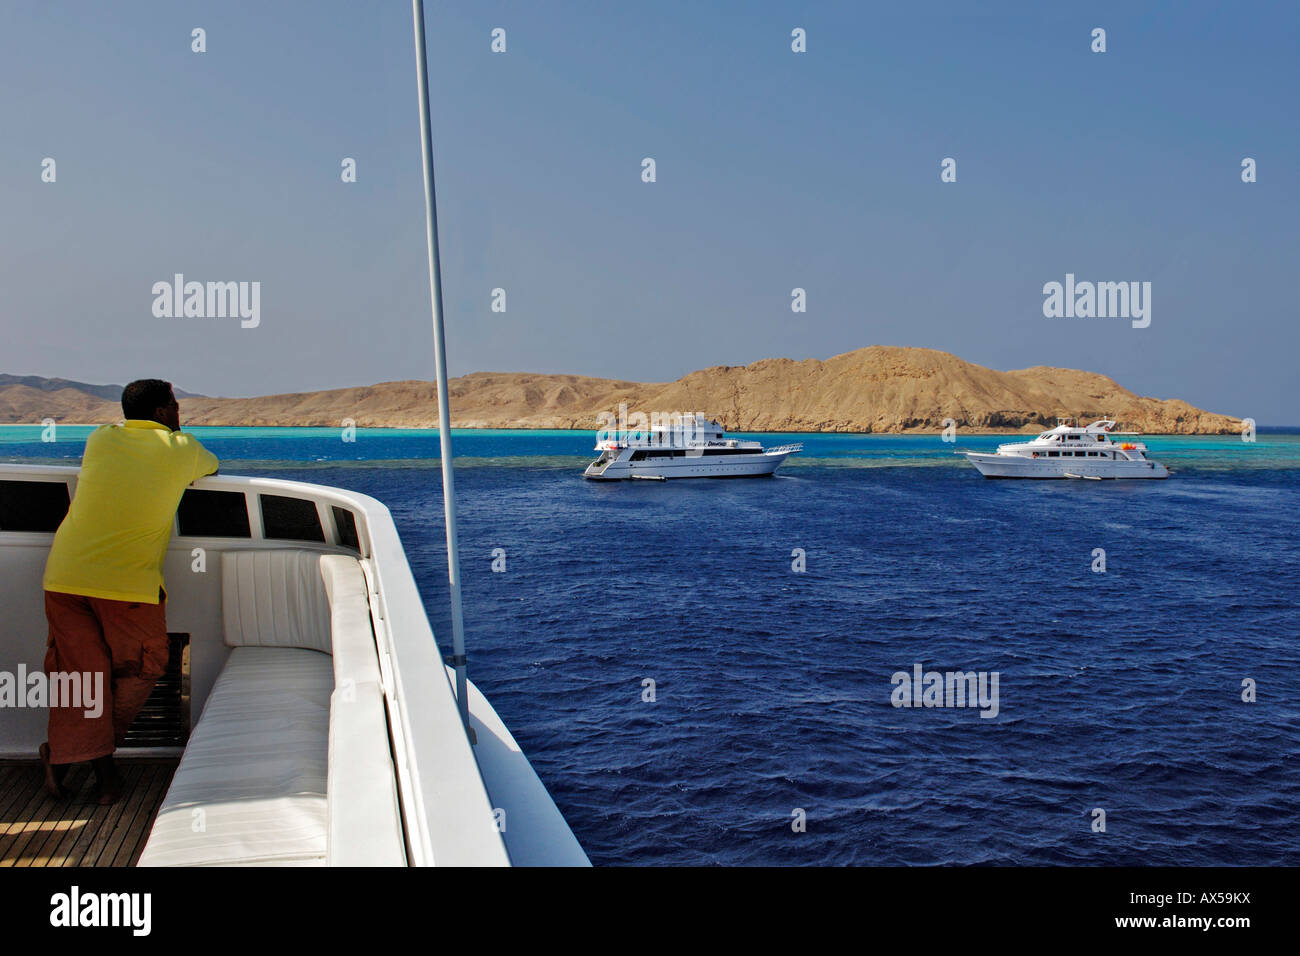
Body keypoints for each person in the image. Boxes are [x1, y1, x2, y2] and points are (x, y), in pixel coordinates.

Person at [40, 379, 219, 804]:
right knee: (143, 668)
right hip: (126, 586)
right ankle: (96, 770)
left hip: (64, 577)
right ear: (162, 413)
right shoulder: (183, 450)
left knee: (81, 679)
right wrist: (177, 439)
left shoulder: (99, 439)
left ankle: (72, 761)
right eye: (175, 406)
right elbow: (212, 465)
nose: (179, 414)